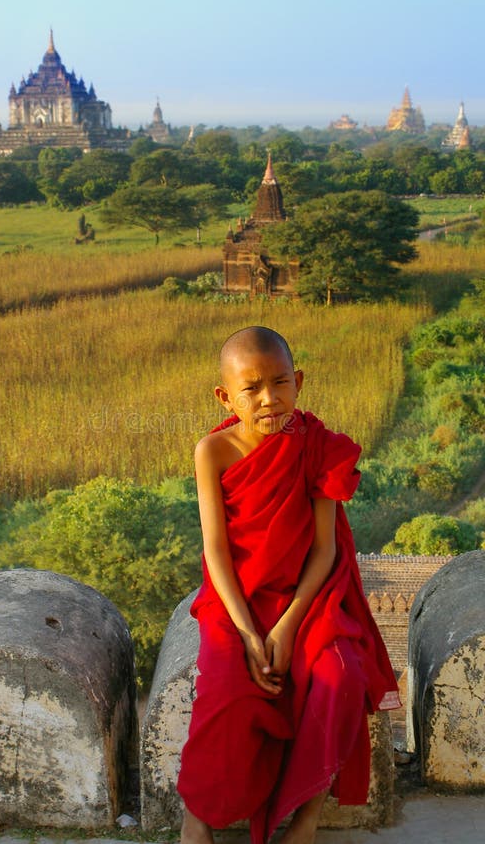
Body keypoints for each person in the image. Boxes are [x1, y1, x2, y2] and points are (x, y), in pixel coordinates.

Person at [177, 326, 400, 844]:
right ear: (225, 396)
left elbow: (324, 551)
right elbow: (216, 551)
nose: (269, 399)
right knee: (226, 693)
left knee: (340, 677)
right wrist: (252, 635)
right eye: (251, 388)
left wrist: (285, 628)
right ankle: (198, 816)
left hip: (309, 597)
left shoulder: (318, 446)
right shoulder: (212, 452)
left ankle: (305, 820)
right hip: (236, 602)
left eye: (280, 383)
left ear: (298, 382)